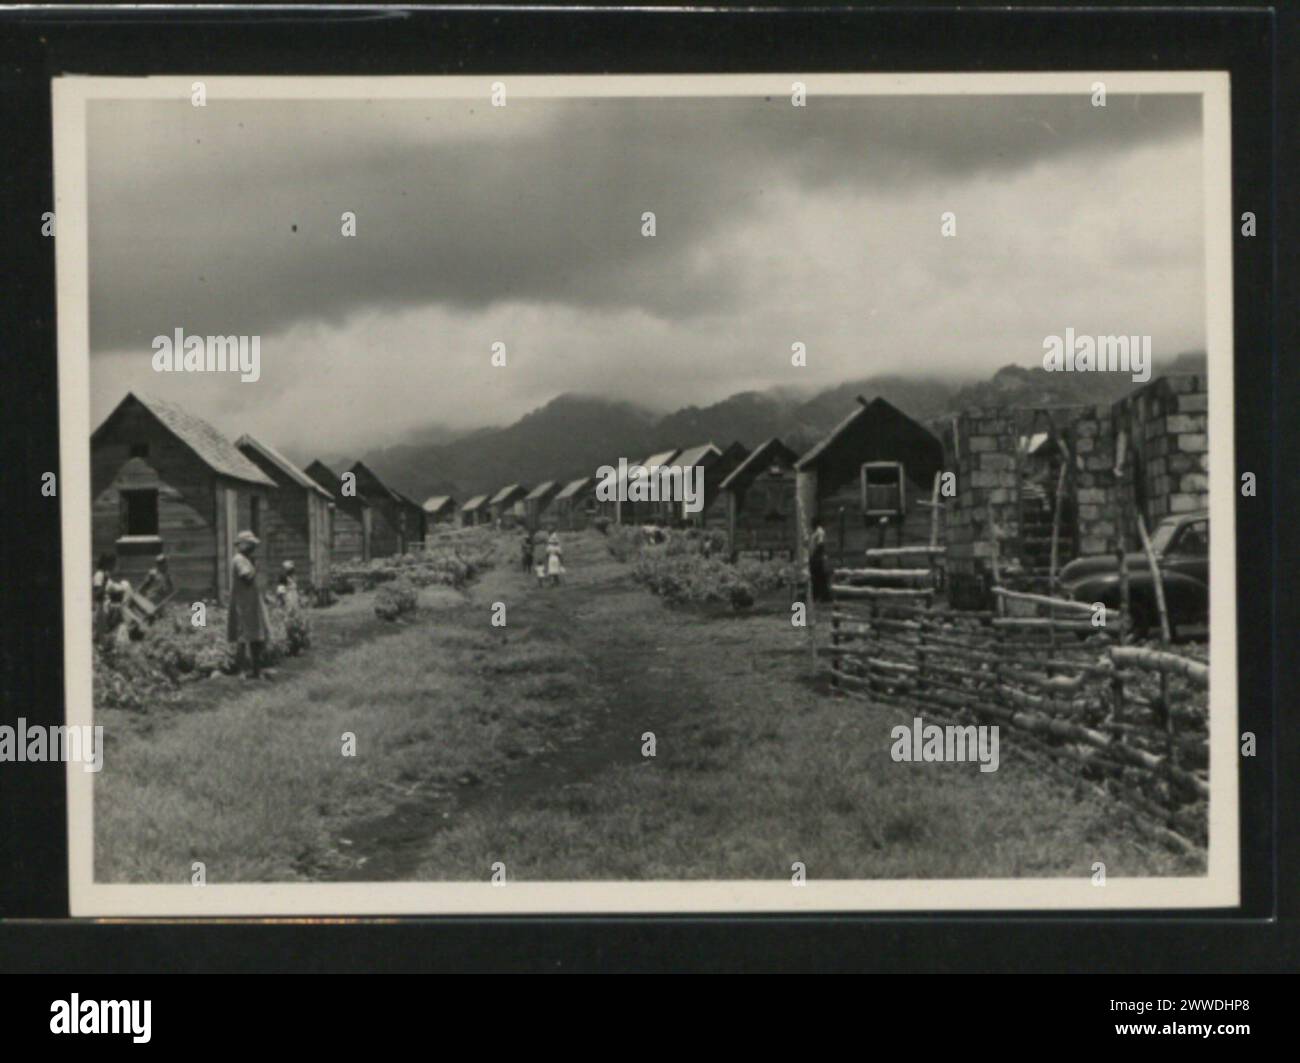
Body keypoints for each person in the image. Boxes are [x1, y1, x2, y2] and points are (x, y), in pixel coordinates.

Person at [227, 530, 272, 679]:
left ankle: (256, 670)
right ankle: (242, 671)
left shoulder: (247, 559)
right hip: (243, 604)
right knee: (243, 637)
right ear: (243, 544)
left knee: (256, 637)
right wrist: (256, 568)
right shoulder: (239, 559)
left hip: (252, 603)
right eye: (251, 544)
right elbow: (247, 577)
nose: (253, 548)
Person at [807, 516, 830, 603]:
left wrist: (815, 555)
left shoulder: (820, 532)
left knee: (819, 576)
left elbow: (820, 544)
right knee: (815, 577)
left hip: (818, 558)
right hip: (815, 557)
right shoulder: (815, 532)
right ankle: (817, 595)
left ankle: (823, 596)